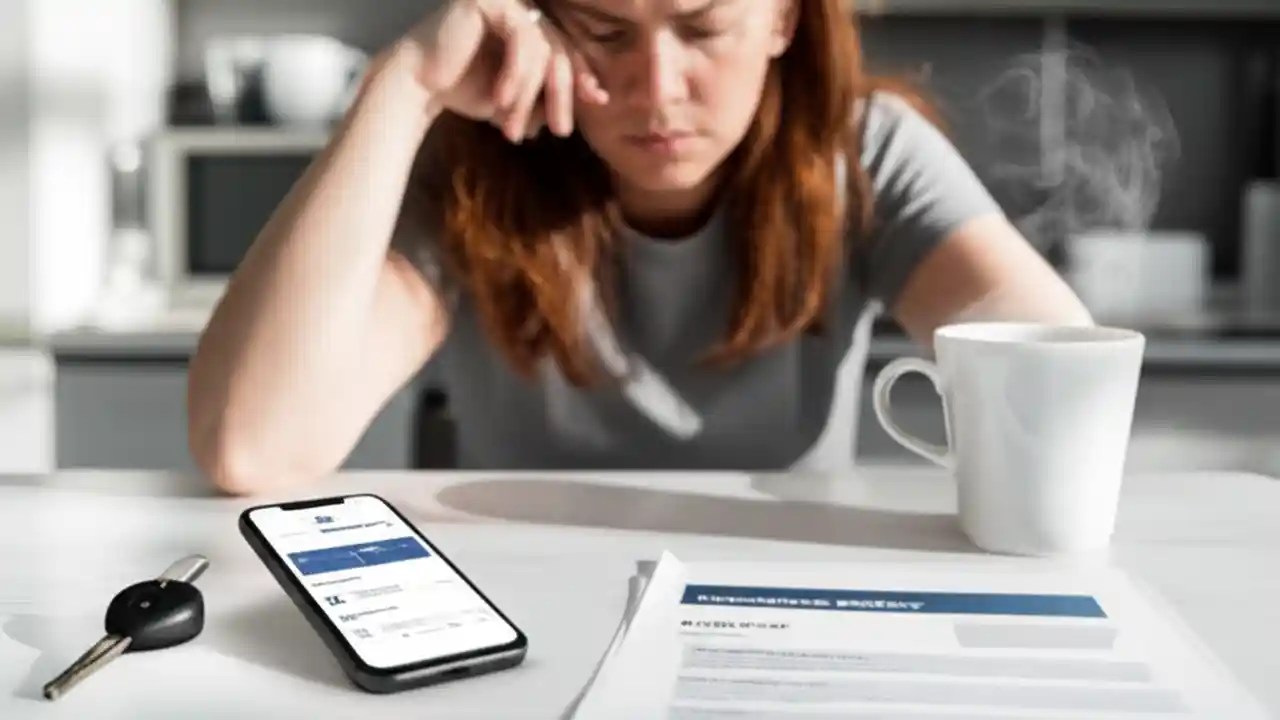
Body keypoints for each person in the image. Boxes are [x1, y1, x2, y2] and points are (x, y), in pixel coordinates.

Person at [187, 0, 1091, 495]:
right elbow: (254, 451)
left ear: (784, 19)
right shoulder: (474, 172)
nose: (656, 90)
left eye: (701, 29)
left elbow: (1066, 384)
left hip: (783, 608)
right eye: (607, 33)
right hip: (524, 608)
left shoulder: (865, 151)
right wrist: (403, 85)